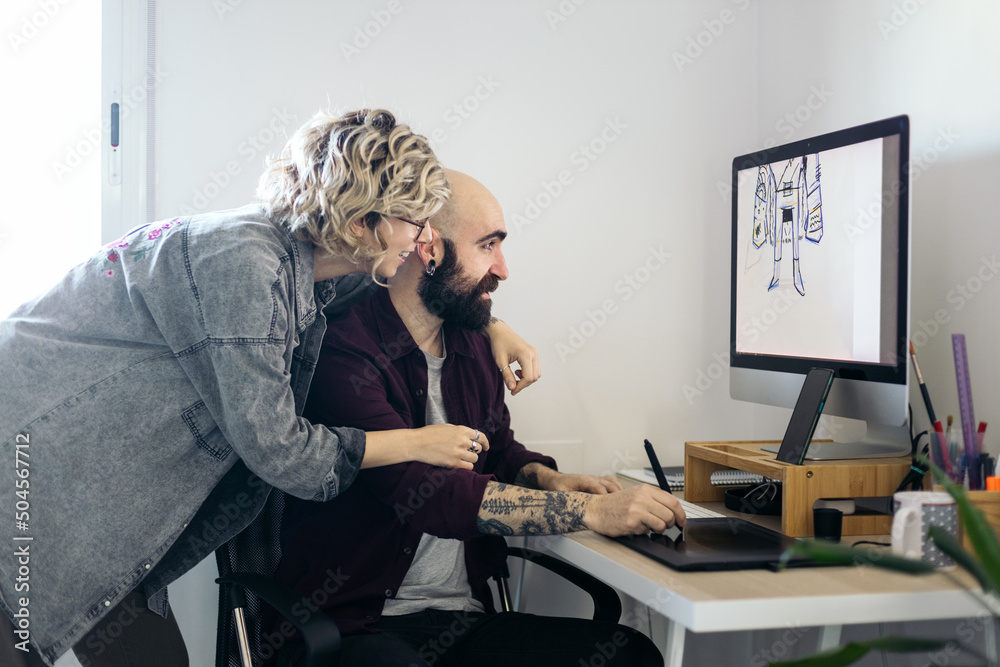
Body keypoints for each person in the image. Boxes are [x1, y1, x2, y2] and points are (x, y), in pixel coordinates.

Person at [0, 111, 541, 667]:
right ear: (363, 222)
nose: (425, 238)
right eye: (415, 221)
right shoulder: (244, 265)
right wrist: (415, 442)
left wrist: (493, 326)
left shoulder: (311, 267)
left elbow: (412, 298)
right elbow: (280, 450)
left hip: (94, 489)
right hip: (32, 461)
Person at [272, 170, 683, 666]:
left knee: (629, 655)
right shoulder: (344, 352)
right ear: (429, 248)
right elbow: (429, 495)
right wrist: (591, 512)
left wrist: (547, 478)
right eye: (488, 245)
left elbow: (498, 452)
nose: (503, 269)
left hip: (463, 621)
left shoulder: (472, 345)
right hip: (353, 625)